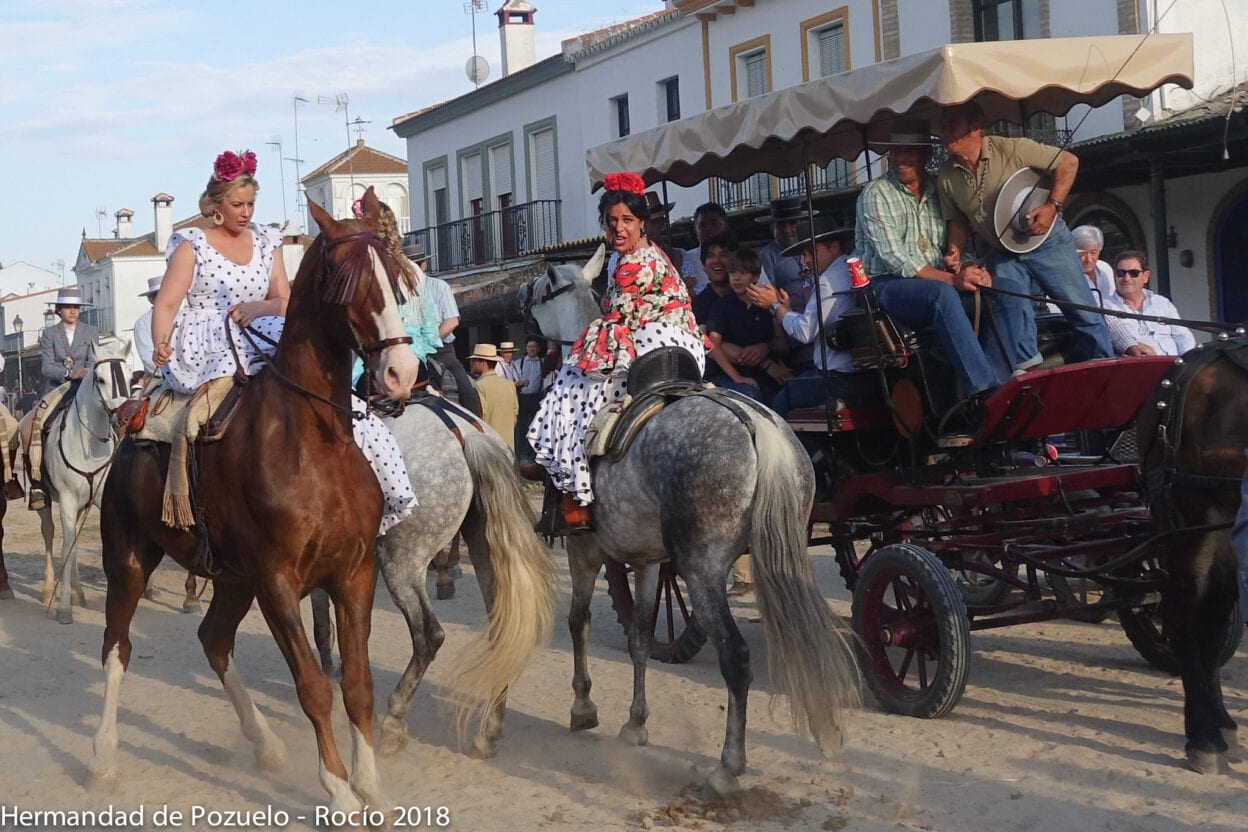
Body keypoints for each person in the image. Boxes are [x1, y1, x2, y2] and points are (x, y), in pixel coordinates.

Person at [150, 149, 414, 533]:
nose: (245, 212)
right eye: (237, 204)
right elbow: (167, 305)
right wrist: (162, 343)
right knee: (208, 410)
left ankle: (387, 489)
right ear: (216, 205)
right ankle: (205, 495)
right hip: (210, 338)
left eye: (251, 204)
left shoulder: (265, 242)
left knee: (342, 402)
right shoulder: (192, 244)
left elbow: (285, 299)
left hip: (266, 326)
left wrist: (260, 308)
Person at [528, 171, 713, 531]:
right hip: (659, 333)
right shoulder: (621, 258)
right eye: (612, 221)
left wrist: (589, 346)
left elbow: (619, 316)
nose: (619, 229)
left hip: (661, 338)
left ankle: (567, 483)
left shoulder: (634, 261)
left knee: (574, 381)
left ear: (641, 222)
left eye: (627, 220)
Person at [935, 102, 1112, 375]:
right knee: (1014, 316)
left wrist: (1053, 206)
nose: (943, 130)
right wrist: (954, 249)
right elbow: (957, 219)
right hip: (1001, 251)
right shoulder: (946, 175)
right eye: (942, 124)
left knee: (1080, 309)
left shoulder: (1012, 148)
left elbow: (1069, 161)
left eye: (951, 123)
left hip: (1048, 243)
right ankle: (1029, 378)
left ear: (974, 127)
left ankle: (1105, 368)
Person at [855, 120, 1002, 401]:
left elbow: (960, 245)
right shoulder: (875, 194)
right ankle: (983, 391)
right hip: (886, 286)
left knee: (1002, 291)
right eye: (894, 152)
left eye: (907, 151)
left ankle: (1005, 376)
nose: (899, 159)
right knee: (941, 294)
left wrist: (971, 270)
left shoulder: (941, 187)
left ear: (925, 155)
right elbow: (894, 259)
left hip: (938, 281)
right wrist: (953, 280)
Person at [748, 220, 876, 417]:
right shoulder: (850, 270)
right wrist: (787, 310)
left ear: (834, 247)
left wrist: (775, 307)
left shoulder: (827, 281)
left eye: (811, 252)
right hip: (865, 377)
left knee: (778, 403)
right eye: (804, 254)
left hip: (837, 380)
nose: (806, 260)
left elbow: (804, 332)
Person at [24, 287, 101, 510]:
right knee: (31, 426)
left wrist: (87, 371)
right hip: (57, 388)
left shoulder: (91, 331)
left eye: (76, 307)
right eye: (68, 307)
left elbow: (95, 359)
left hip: (85, 386)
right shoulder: (49, 334)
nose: (73, 311)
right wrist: (68, 373)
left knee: (110, 417)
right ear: (59, 310)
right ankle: (37, 483)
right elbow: (47, 367)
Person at [706, 248, 791, 403]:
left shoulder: (765, 304)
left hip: (766, 375)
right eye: (732, 273)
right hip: (730, 375)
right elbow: (712, 345)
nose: (736, 278)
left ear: (756, 276)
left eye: (743, 272)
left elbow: (782, 342)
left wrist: (766, 346)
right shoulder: (721, 306)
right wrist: (736, 377)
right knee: (751, 396)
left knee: (786, 396)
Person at [418, 246, 482, 416]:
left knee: (466, 390)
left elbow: (452, 322)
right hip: (410, 350)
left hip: (440, 349)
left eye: (416, 264)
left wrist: (427, 343)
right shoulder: (397, 289)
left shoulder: (439, 286)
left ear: (423, 265)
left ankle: (474, 423)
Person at [1102, 250, 1196, 357]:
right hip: (1139, 368)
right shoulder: (1106, 307)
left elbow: (1183, 336)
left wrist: (1187, 364)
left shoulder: (1161, 302)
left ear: (1145, 276)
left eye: (1133, 273)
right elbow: (1110, 344)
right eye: (1121, 273)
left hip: (1175, 367)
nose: (1126, 278)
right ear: (1115, 276)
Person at [755, 197, 813, 296]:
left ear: (802, 224)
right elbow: (768, 294)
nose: (787, 230)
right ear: (772, 228)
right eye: (781, 225)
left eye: (792, 223)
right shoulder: (767, 257)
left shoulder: (813, 248)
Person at [468, 343, 519, 450]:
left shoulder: (479, 386)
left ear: (483, 362)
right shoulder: (509, 384)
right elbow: (514, 420)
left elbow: (481, 418)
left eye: (474, 360)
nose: (472, 363)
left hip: (491, 447)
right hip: (508, 447)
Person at [680, 202, 731, 294]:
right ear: (696, 231)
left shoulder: (739, 255)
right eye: (703, 225)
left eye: (714, 223)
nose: (708, 229)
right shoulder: (687, 259)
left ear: (725, 225)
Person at [510, 337, 545, 462]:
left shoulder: (543, 362)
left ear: (538, 349)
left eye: (534, 347)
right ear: (526, 349)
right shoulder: (518, 363)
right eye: (529, 347)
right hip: (523, 398)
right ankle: (523, 454)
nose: (532, 349)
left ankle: (534, 453)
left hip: (537, 397)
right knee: (522, 426)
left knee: (536, 425)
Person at [691, 234, 736, 327]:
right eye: (710, 256)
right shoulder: (698, 305)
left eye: (723, 255)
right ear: (704, 267)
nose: (716, 260)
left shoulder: (751, 298)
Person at [132, 276, 162, 375]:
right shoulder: (142, 323)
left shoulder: (184, 316)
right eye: (161, 295)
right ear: (151, 299)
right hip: (160, 377)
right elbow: (148, 358)